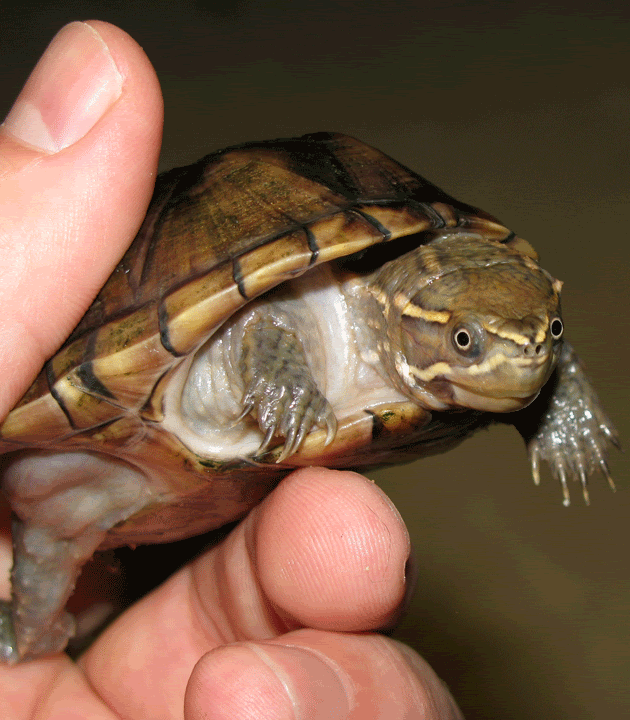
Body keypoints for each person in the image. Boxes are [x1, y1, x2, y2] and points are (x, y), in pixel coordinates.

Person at [0, 20, 462, 719]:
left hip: (189, 495)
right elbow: (263, 318)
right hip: (107, 442)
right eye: (465, 341)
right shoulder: (303, 303)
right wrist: (281, 379)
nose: (522, 369)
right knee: (50, 498)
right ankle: (29, 635)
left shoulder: (435, 306)